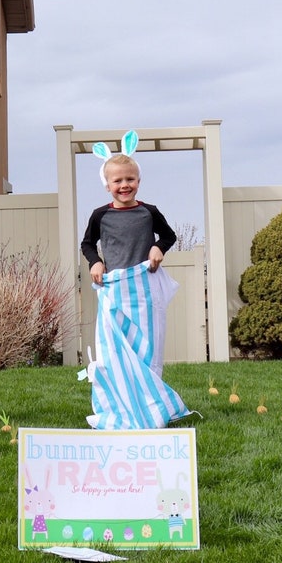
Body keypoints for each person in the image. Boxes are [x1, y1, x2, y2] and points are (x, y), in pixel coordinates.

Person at [78, 131, 193, 431]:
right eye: (117, 180)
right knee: (113, 351)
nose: (124, 185)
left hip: (144, 290)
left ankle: (151, 409)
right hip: (114, 291)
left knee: (147, 350)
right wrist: (95, 262)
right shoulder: (99, 216)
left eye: (130, 179)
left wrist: (158, 247)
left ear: (138, 181)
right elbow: (87, 244)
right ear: (107, 185)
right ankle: (117, 406)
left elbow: (168, 236)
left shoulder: (148, 212)